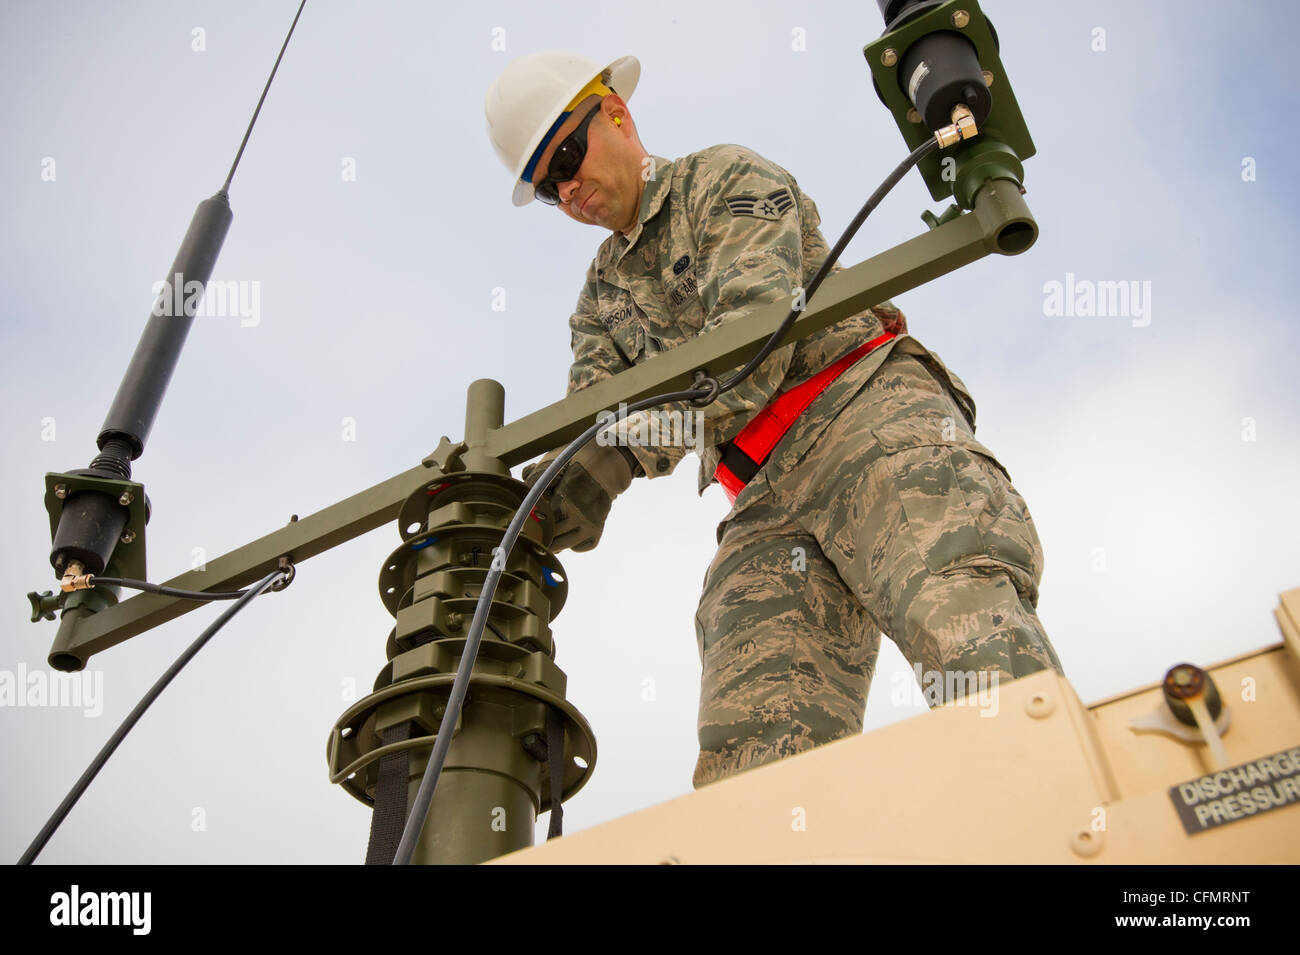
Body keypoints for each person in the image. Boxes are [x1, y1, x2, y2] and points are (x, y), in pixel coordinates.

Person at [485, 52, 1064, 789]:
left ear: (617, 115)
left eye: (566, 156)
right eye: (545, 188)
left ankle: (1068, 813)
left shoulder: (722, 180)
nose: (567, 191)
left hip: (861, 414)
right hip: (761, 494)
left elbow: (753, 337)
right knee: (752, 755)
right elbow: (593, 427)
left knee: (963, 630)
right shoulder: (601, 296)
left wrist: (619, 455)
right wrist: (537, 507)